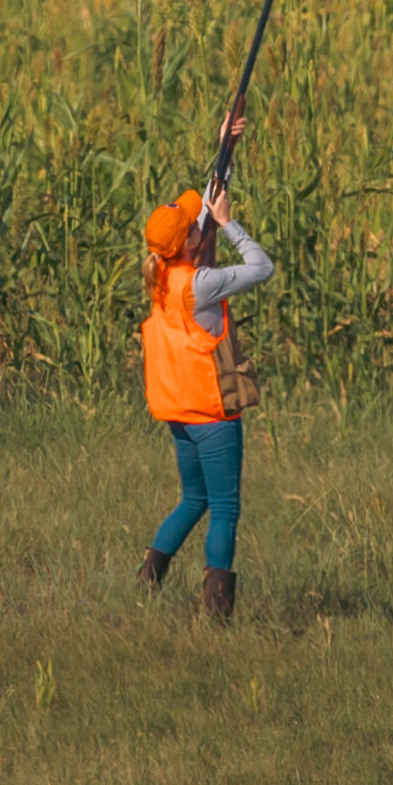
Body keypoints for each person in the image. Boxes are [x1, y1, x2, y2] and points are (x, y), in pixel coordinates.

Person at [137, 126, 274, 623]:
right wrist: (231, 224)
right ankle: (216, 616)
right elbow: (262, 267)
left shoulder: (161, 277)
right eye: (197, 227)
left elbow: (198, 213)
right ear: (191, 242)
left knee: (193, 497)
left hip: (179, 416)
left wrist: (226, 146)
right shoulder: (205, 284)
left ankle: (147, 578)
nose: (200, 224)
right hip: (213, 415)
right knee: (225, 509)